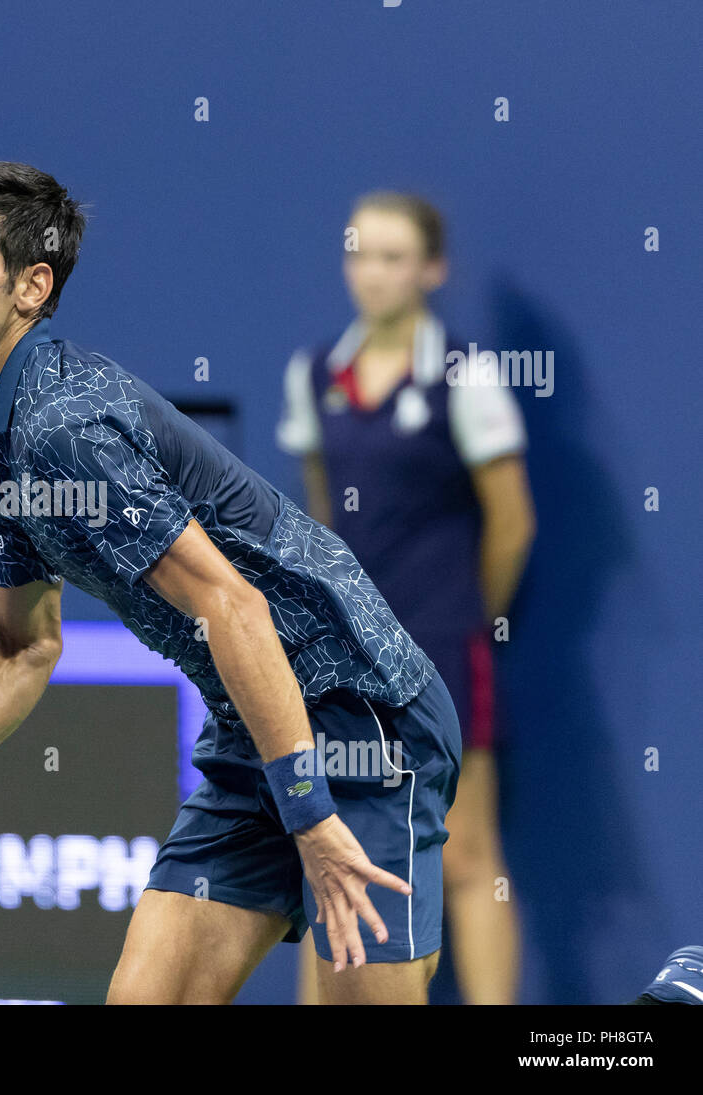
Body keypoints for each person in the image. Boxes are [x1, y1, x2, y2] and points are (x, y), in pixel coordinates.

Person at [0, 159, 461, 1004]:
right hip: (259, 725)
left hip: (362, 718)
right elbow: (21, 643)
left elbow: (231, 603)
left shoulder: (64, 426)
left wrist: (311, 816)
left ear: (31, 287)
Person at [276, 191, 535, 1004]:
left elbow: (512, 522)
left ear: (431, 269)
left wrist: (464, 619)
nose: (373, 273)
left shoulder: (467, 375)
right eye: (360, 254)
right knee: (332, 848)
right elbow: (320, 521)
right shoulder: (313, 375)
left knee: (465, 854)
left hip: (444, 646)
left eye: (394, 256)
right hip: (342, 661)